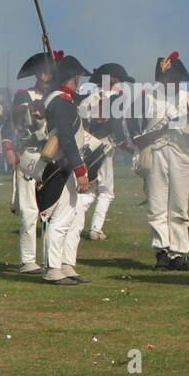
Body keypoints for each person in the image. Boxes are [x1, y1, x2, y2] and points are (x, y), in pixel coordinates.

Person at [37, 54, 94, 285]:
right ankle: (52, 269)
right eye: (77, 76)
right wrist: (81, 171)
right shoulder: (60, 101)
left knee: (70, 216)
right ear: (73, 77)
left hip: (66, 165)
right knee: (60, 219)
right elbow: (67, 138)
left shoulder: (62, 100)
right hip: (61, 165)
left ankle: (63, 265)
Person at [137, 52, 189, 270]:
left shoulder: (187, 98)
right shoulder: (148, 99)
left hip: (181, 153)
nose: (169, 83)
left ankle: (179, 254)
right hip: (156, 153)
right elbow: (136, 129)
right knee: (157, 204)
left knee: (179, 205)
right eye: (166, 79)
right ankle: (162, 251)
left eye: (173, 79)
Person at [5, 52, 55, 274]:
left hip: (53, 155)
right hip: (30, 154)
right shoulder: (23, 96)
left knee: (52, 209)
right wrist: (8, 148)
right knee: (29, 210)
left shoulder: (57, 95)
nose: (46, 75)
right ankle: (27, 260)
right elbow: (10, 124)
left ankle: (51, 259)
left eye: (50, 72)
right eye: (43, 72)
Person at [76, 62, 132, 244]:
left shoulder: (88, 99)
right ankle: (95, 229)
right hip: (105, 147)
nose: (122, 84)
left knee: (90, 190)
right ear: (113, 80)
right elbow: (116, 126)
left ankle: (74, 223)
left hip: (87, 147)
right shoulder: (116, 99)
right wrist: (125, 143)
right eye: (120, 81)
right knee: (106, 191)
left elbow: (81, 126)